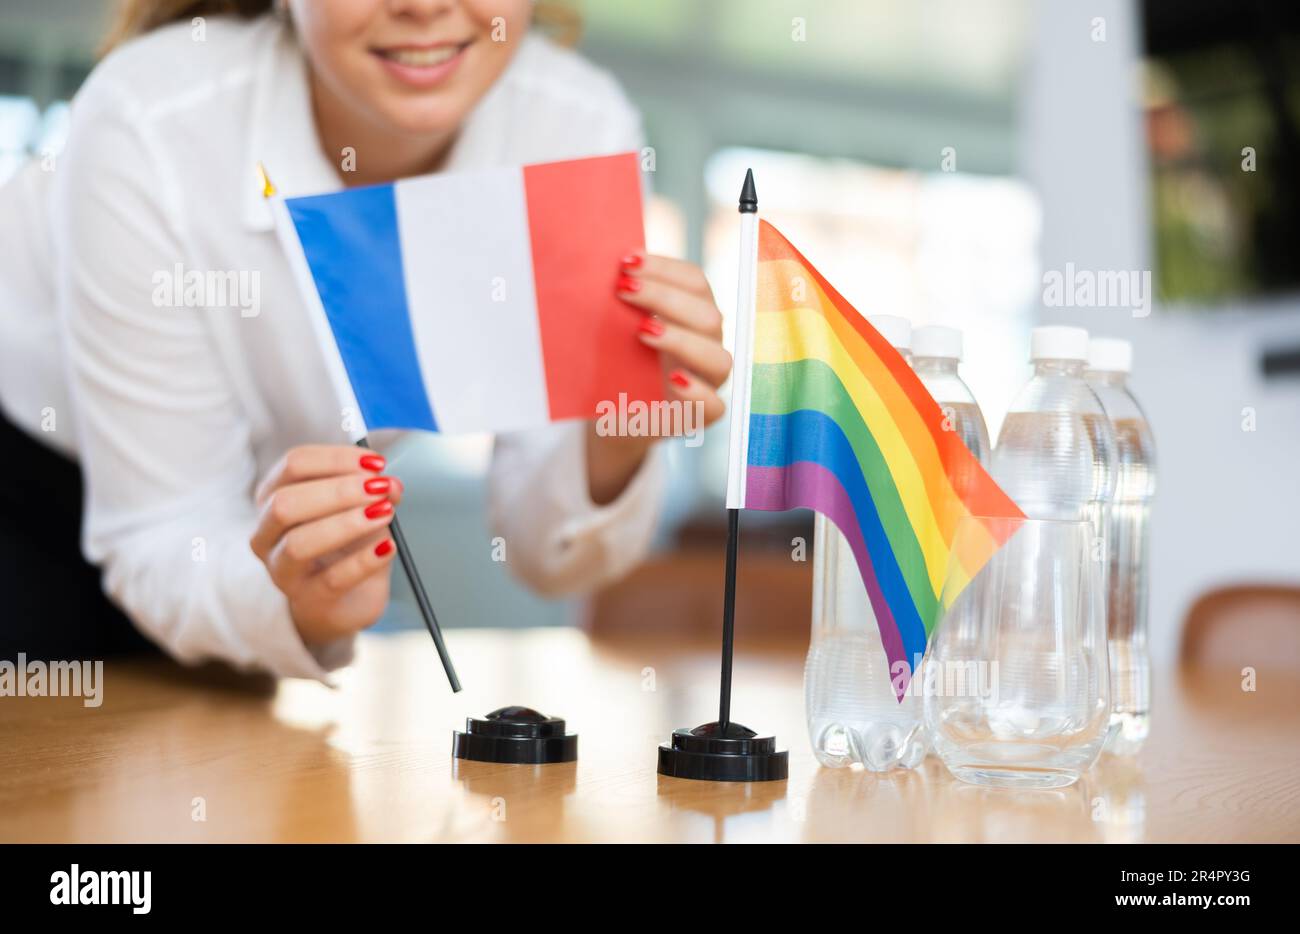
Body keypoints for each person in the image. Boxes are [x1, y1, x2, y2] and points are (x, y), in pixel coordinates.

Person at [0, 0, 732, 678]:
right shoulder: (150, 118)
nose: (421, 6)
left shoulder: (577, 128)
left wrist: (618, 433)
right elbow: (165, 526)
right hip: (34, 480)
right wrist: (295, 604)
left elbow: (549, 559)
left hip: (261, 541)